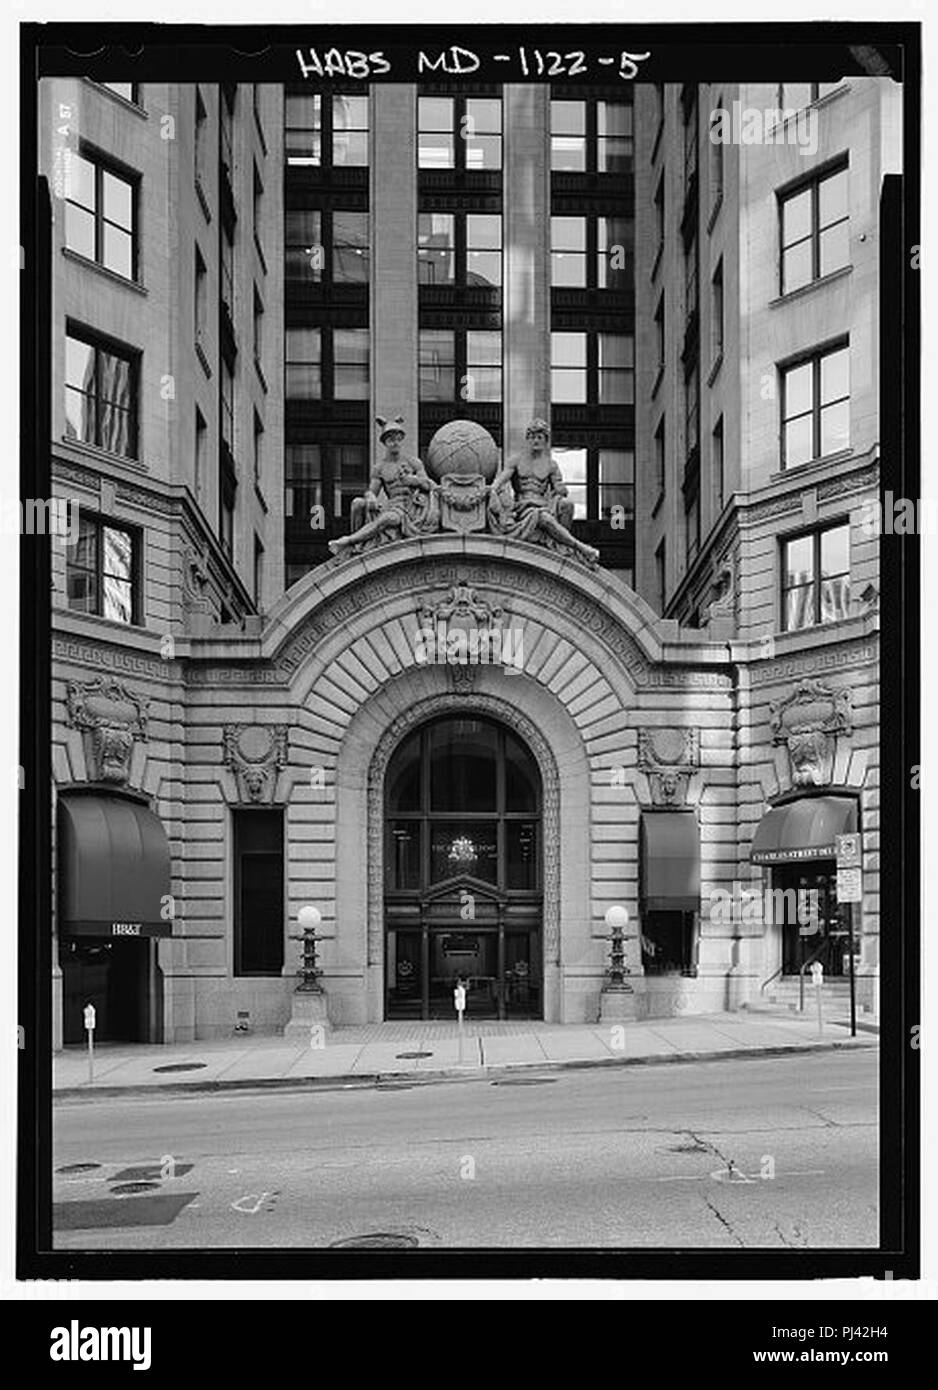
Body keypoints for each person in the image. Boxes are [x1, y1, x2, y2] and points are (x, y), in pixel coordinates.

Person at [489, 418, 599, 566]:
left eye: (539, 437)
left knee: (567, 505)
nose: (536, 440)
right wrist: (492, 490)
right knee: (543, 518)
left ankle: (562, 545)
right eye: (532, 437)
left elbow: (559, 489)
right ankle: (581, 547)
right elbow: (500, 481)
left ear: (545, 441)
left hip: (544, 505)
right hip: (524, 508)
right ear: (527, 439)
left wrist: (561, 491)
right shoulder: (516, 460)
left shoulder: (551, 465)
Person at [329, 415, 438, 555]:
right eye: (391, 440)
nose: (395, 443)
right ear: (385, 443)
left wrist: (411, 480)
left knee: (387, 519)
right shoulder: (379, 468)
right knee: (357, 503)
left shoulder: (413, 462)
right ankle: (356, 547)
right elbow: (371, 491)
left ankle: (348, 541)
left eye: (398, 439)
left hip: (411, 507)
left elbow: (429, 485)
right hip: (393, 505)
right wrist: (370, 498)